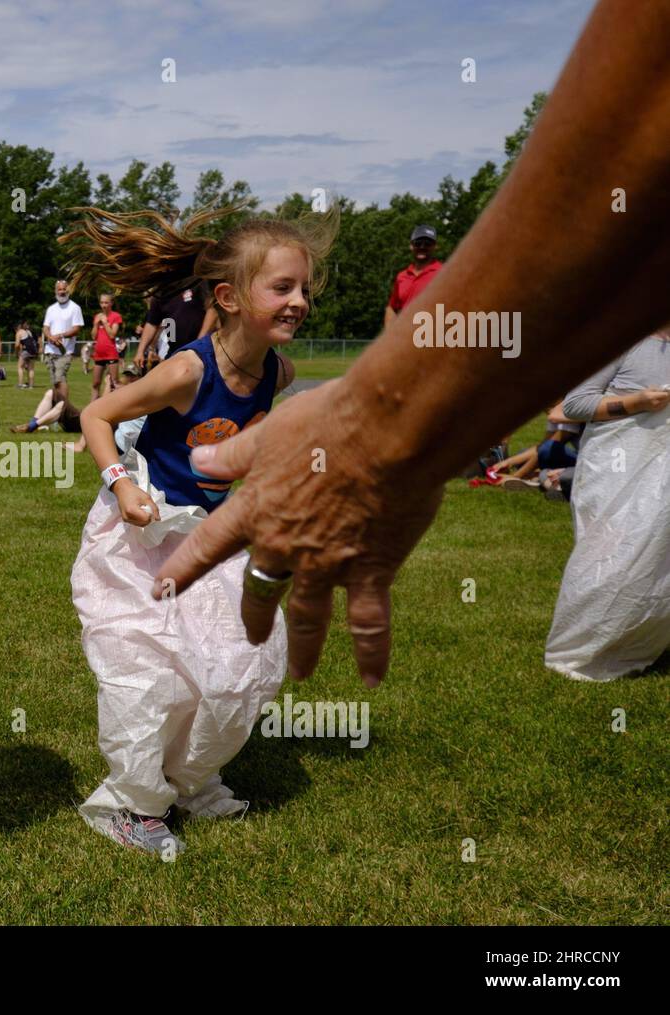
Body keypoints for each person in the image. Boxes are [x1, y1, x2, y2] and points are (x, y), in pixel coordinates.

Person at [151, 0, 670, 688]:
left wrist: (382, 422)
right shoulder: (403, 278)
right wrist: (390, 401)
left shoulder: (428, 277)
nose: (300, 304)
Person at [61, 203, 333, 855]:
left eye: (303, 289)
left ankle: (188, 776)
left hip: (206, 532)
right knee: (148, 666)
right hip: (142, 529)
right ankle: (127, 802)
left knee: (238, 661)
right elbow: (96, 415)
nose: (298, 301)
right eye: (282, 288)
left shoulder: (276, 371)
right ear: (229, 298)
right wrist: (121, 486)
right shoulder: (187, 369)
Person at [545, 330, 670, 680]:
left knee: (652, 558)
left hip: (659, 476)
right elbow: (572, 406)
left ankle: (638, 641)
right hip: (614, 470)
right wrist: (638, 402)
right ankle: (581, 648)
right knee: (607, 558)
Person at [132, 280, 218, 371]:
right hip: (175, 351)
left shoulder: (196, 280)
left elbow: (212, 309)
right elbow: (152, 323)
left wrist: (200, 342)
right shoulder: (160, 291)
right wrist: (140, 351)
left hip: (205, 349)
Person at [383, 224, 443, 326]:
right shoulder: (401, 277)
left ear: (435, 246)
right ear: (411, 246)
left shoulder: (445, 272)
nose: (422, 247)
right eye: (418, 243)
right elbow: (392, 307)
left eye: (427, 244)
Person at [42, 279, 83, 403]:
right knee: (55, 381)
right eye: (59, 289)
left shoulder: (75, 308)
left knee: (60, 378)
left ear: (68, 290)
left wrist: (60, 335)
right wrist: (50, 337)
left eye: (64, 289)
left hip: (65, 351)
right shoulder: (51, 309)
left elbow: (77, 329)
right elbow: (45, 328)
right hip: (50, 350)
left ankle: (64, 409)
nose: (62, 292)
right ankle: (57, 409)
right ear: (55, 291)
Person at [89, 293, 122, 400]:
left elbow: (112, 334)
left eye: (106, 302)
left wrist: (105, 322)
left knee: (114, 382)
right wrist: (95, 324)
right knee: (95, 383)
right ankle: (92, 408)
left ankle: (116, 407)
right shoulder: (97, 316)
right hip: (99, 354)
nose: (104, 305)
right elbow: (94, 336)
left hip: (111, 353)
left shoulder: (116, 316)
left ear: (111, 303)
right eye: (102, 302)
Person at [8, 387, 81, 434]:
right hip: (85, 415)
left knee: (62, 405)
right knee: (51, 393)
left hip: (83, 421)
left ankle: (31, 427)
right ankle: (32, 424)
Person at [15, 320, 38, 388]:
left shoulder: (19, 332)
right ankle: (31, 386)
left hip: (26, 351)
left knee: (20, 367)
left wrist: (17, 353)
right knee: (31, 369)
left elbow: (17, 345)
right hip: (33, 351)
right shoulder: (28, 332)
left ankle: (20, 384)